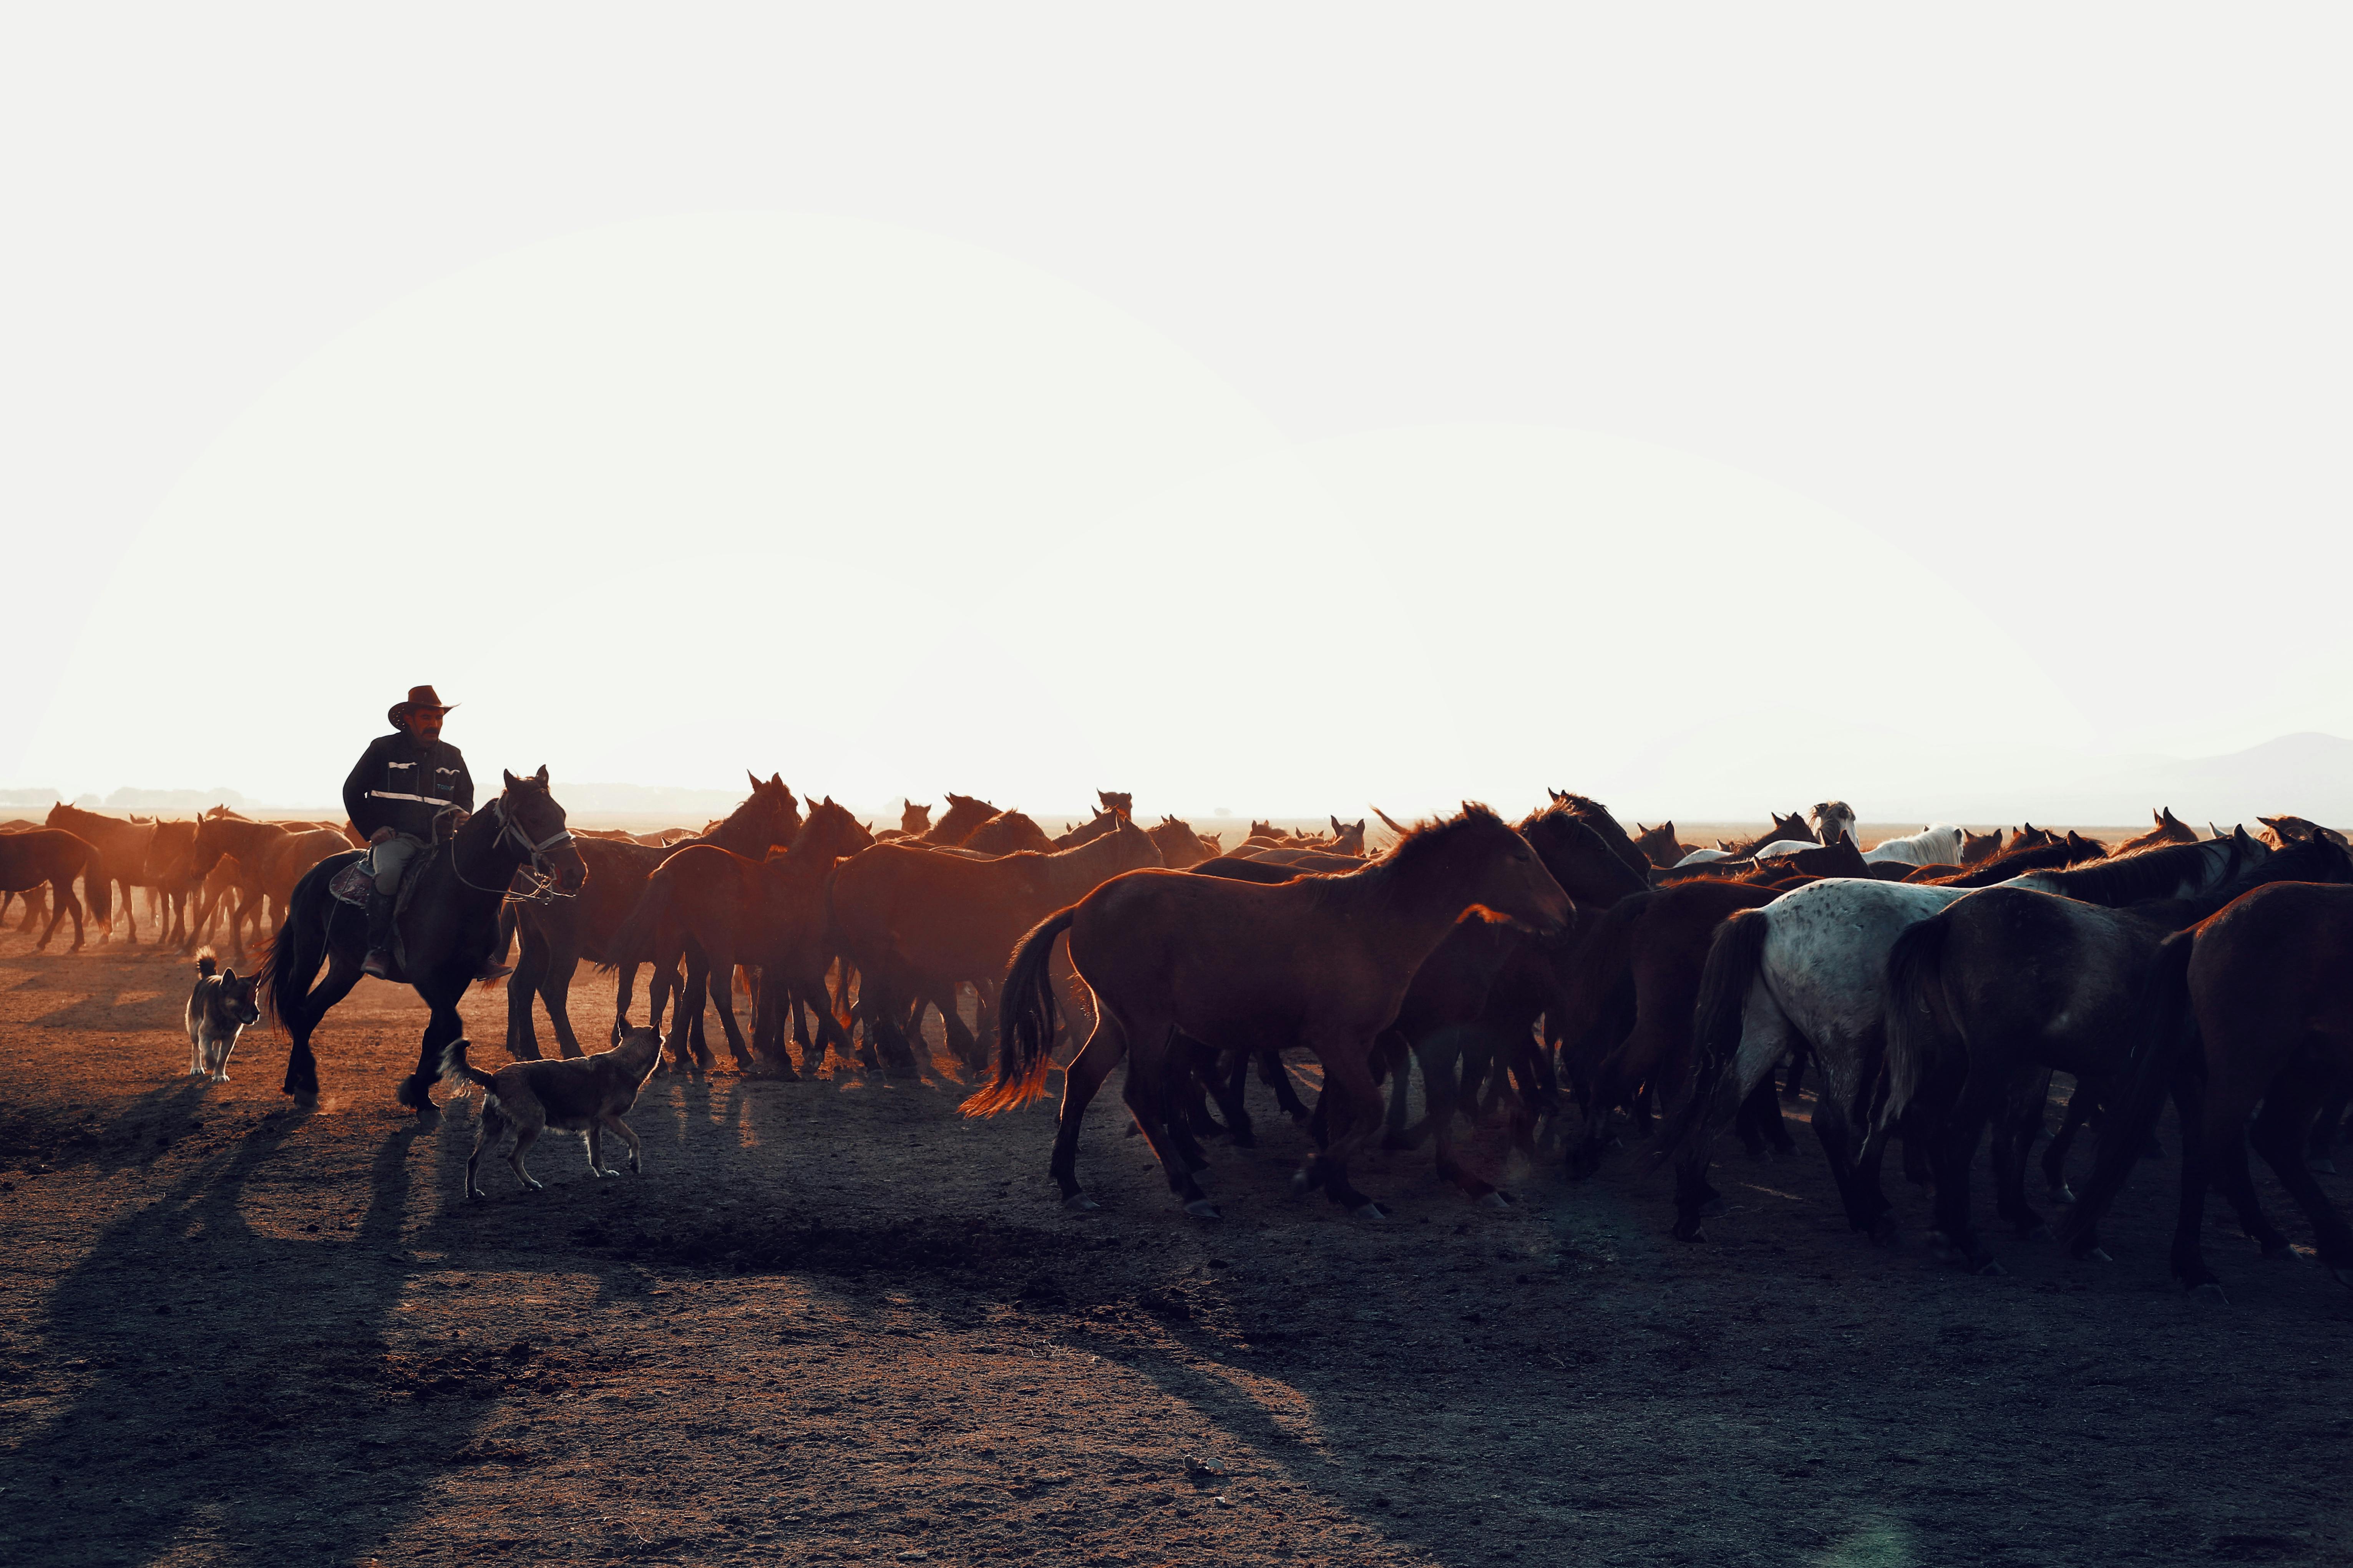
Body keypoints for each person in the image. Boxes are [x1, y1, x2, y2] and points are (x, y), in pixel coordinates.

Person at [343, 686, 474, 979]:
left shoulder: (453, 756)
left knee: (471, 876)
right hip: (397, 839)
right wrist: (372, 829)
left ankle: (480, 952)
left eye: (439, 718)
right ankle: (378, 948)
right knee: (388, 874)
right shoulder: (382, 749)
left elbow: (466, 795)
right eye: (427, 717)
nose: (435, 724)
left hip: (442, 842)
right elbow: (352, 791)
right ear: (410, 719)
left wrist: (462, 814)